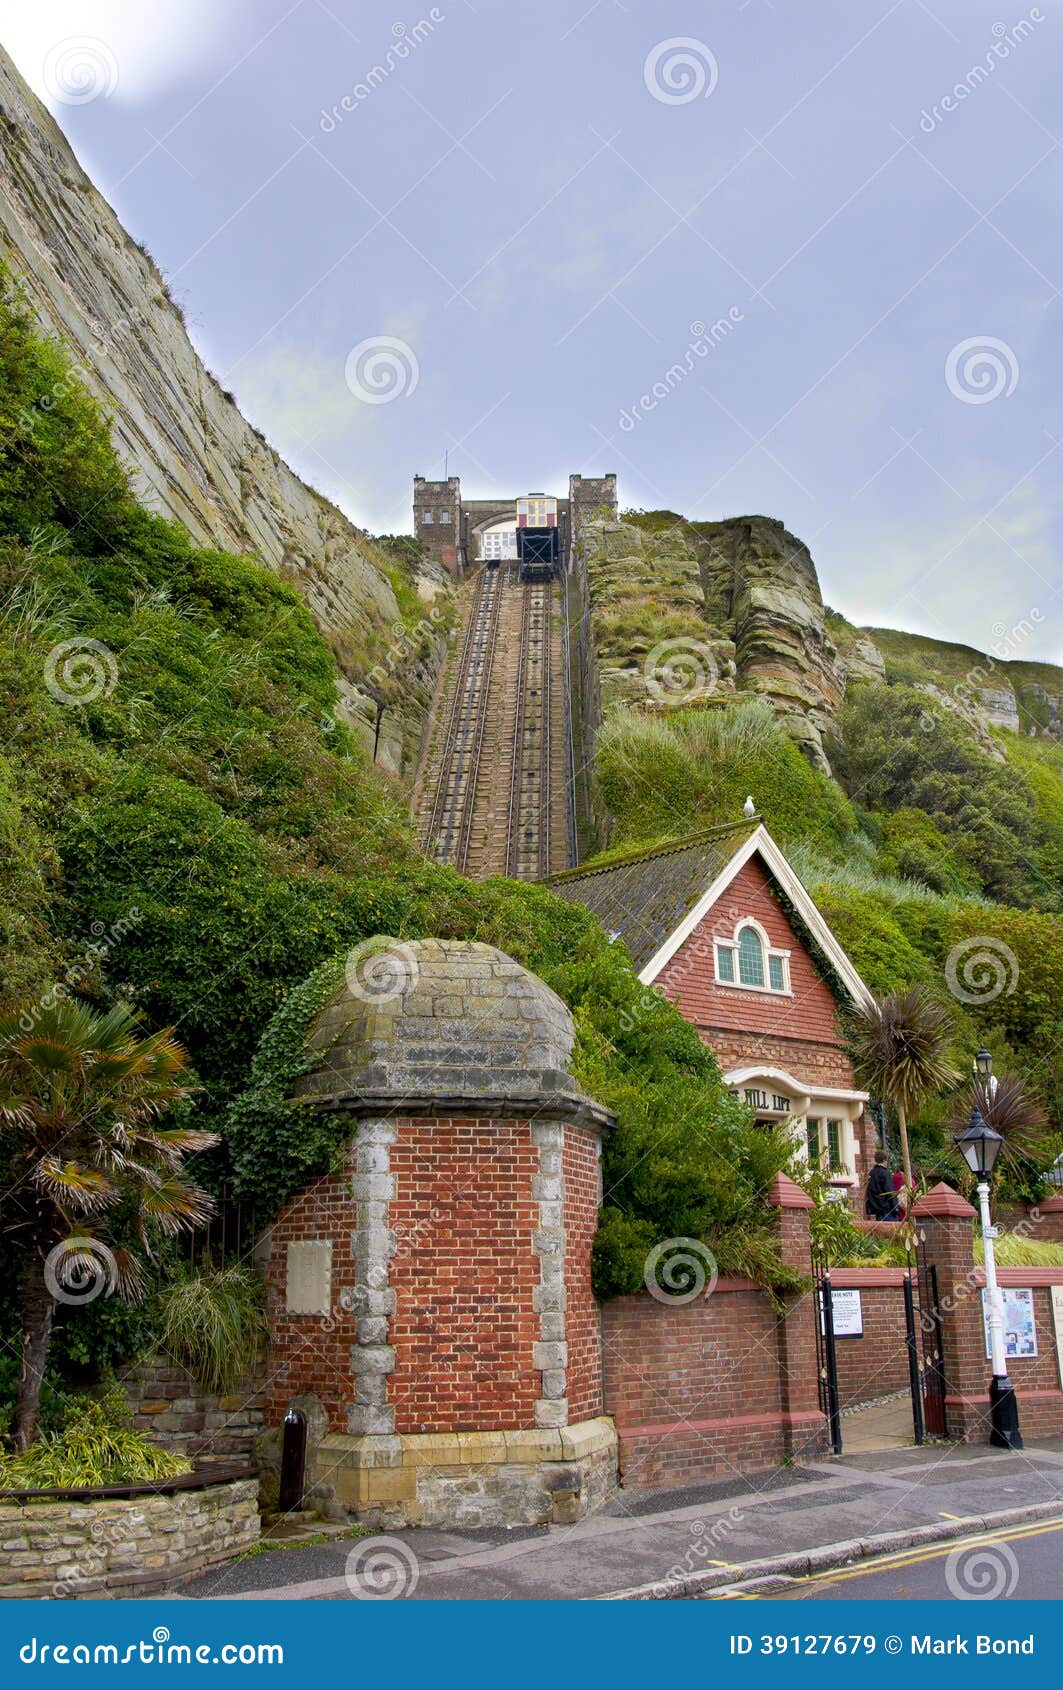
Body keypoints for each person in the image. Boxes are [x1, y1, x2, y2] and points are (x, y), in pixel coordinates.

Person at [865, 1149, 901, 1221]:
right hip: (887, 1209)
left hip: (877, 1210)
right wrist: (896, 1207)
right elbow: (890, 1191)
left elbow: (870, 1191)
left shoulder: (872, 1173)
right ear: (885, 1160)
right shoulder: (885, 1173)